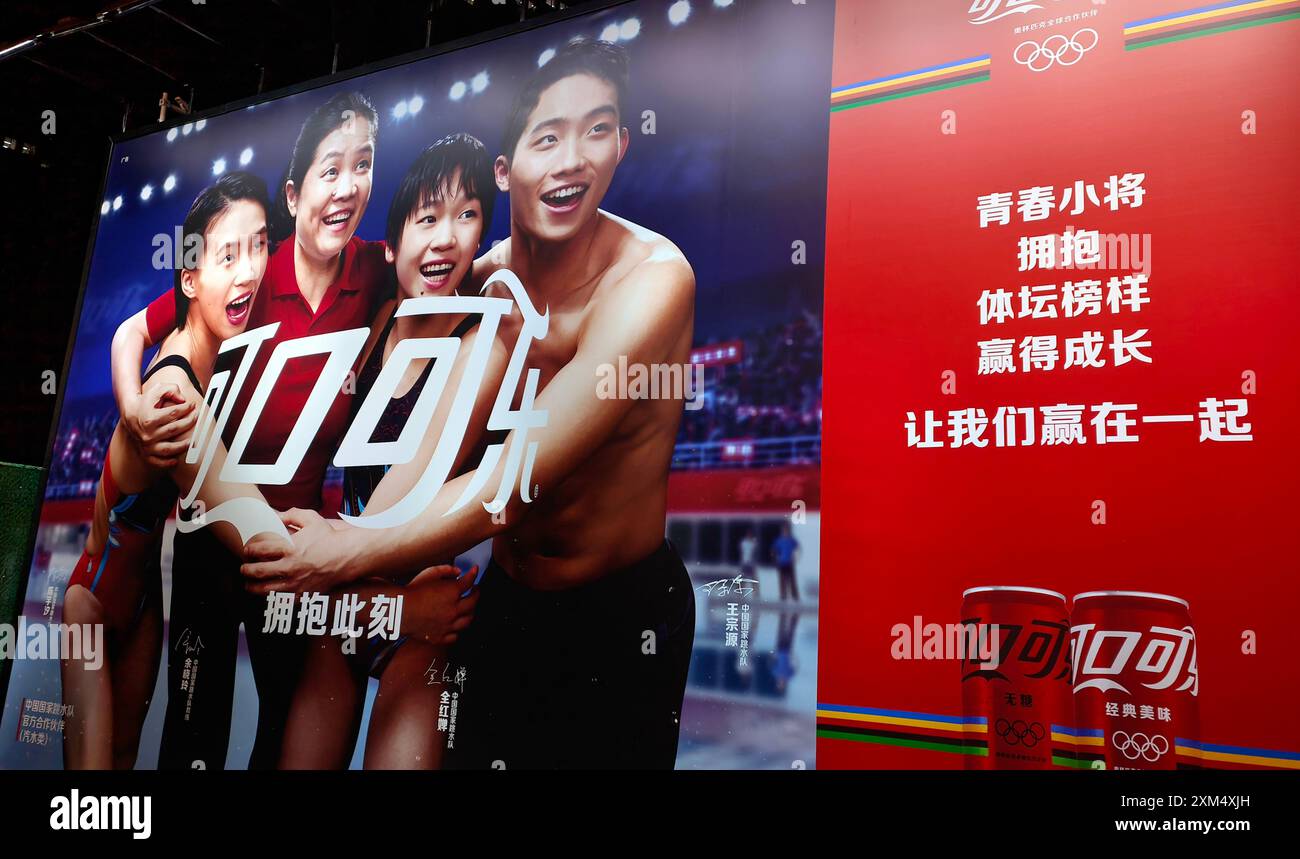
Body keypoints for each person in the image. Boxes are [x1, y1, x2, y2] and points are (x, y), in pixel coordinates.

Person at [243, 38, 698, 769]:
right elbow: (429, 458)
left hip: (622, 611)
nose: (572, 158)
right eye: (547, 137)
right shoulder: (476, 288)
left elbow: (509, 483)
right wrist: (351, 576)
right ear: (508, 166)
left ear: (622, 144)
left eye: (598, 129)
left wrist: (344, 549)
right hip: (506, 604)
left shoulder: (652, 280)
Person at [108, 91, 467, 769]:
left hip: (296, 541)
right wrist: (133, 405)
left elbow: (454, 265)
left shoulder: (372, 268)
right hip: (215, 535)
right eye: (330, 169)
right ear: (295, 194)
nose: (349, 184)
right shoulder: (247, 270)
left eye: (363, 164)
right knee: (195, 733)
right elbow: (134, 331)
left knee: (281, 728)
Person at [279, 134, 505, 769]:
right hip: (367, 602)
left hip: (437, 614)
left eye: (467, 216)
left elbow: (390, 509)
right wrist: (385, 605)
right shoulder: (380, 325)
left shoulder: (479, 343)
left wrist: (401, 606)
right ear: (393, 243)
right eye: (428, 217)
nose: (446, 238)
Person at [61, 173, 276, 769]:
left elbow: (129, 330)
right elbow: (257, 535)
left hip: (143, 603)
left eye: (260, 246)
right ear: (190, 277)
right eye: (228, 255)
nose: (250, 271)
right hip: (93, 604)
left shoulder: (193, 333)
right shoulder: (176, 394)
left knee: (125, 769)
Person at [773, 524, 800, 603]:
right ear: (782, 531)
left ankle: (795, 596)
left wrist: (795, 558)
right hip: (781, 563)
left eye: (786, 530)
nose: (785, 532)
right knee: (782, 580)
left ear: (788, 531)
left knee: (792, 580)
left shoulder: (791, 540)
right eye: (784, 530)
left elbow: (798, 549)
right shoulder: (779, 540)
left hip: (789, 563)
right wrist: (776, 559)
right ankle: (783, 596)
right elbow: (774, 550)